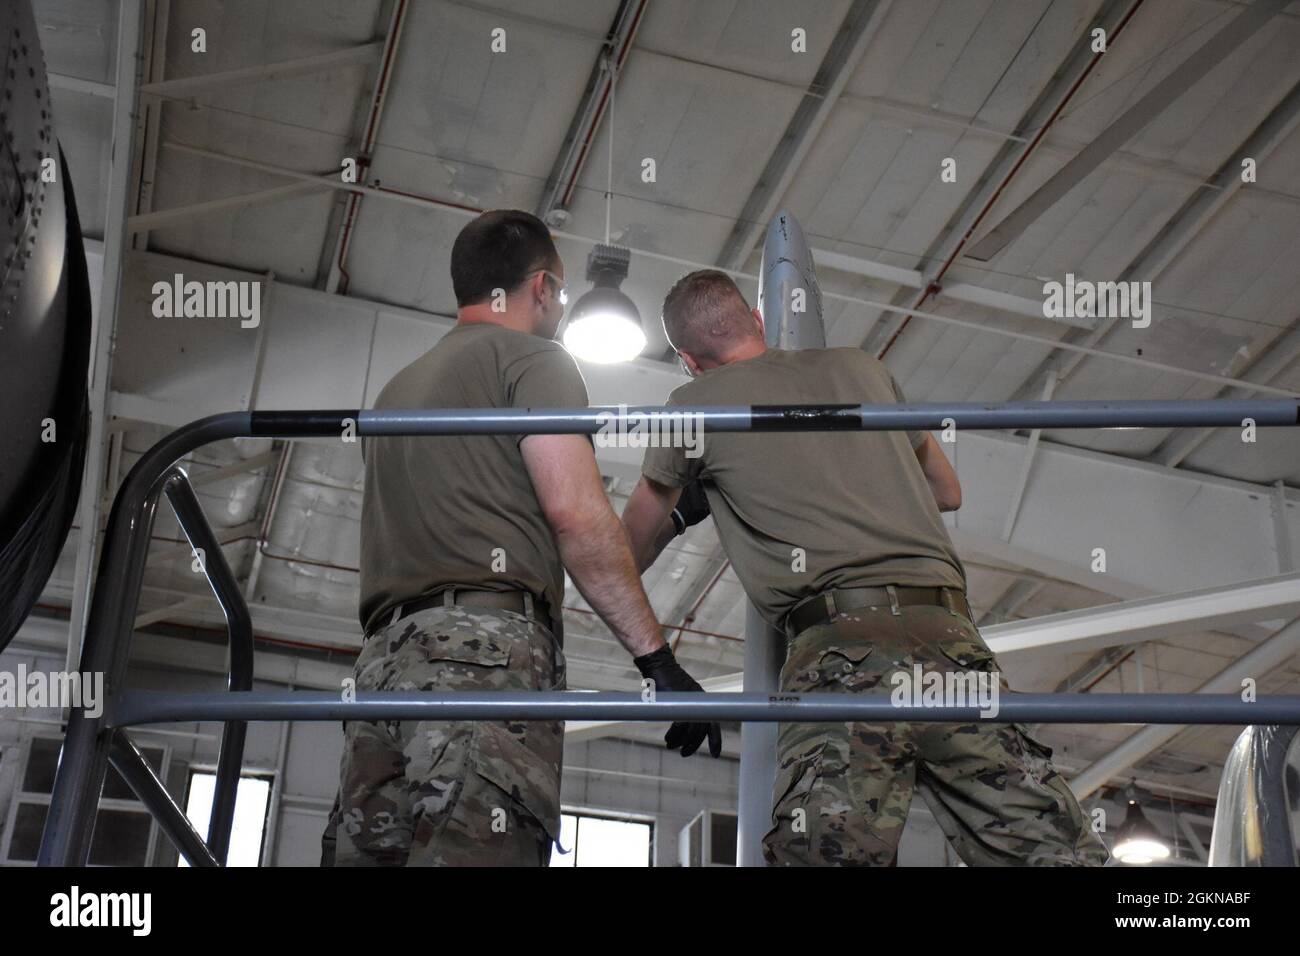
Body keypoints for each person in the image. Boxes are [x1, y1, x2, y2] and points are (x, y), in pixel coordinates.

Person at [622, 268, 1108, 867]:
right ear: (755, 319)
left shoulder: (689, 407)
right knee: (1049, 850)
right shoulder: (864, 369)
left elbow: (626, 552)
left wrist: (684, 509)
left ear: (689, 361)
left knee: (824, 855)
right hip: (949, 641)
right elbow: (948, 492)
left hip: (841, 654)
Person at [323, 211, 720, 867]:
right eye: (561, 292)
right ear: (541, 288)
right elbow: (577, 520)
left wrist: (672, 521)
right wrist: (660, 666)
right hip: (483, 663)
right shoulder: (534, 359)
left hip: (381, 672)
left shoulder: (398, 389)